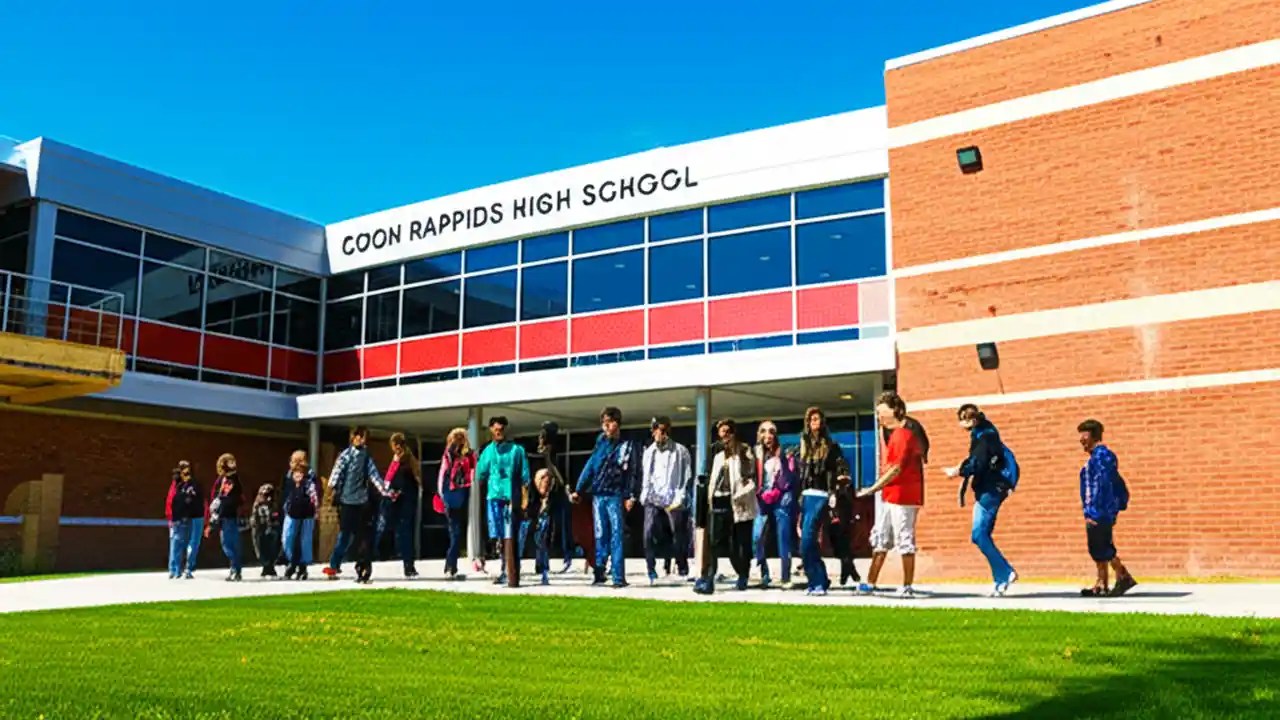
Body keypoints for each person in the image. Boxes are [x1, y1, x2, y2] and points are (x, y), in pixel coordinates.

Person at [944, 404, 1017, 596]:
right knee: (982, 535)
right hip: (992, 488)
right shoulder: (986, 433)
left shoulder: (984, 436)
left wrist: (958, 471)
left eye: (963, 419)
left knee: (979, 534)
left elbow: (978, 462)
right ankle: (1000, 580)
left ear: (971, 420)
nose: (961, 424)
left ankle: (1005, 572)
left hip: (990, 490)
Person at [859, 391, 926, 598]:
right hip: (890, 495)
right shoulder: (894, 435)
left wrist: (872, 489)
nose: (878, 416)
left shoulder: (905, 435)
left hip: (904, 496)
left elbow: (895, 469)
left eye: (881, 412)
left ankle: (907, 585)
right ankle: (870, 582)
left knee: (904, 539)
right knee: (881, 537)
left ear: (894, 411)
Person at [571, 406, 642, 588]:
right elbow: (591, 466)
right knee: (600, 534)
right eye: (603, 423)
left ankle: (618, 577)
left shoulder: (628, 445)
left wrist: (631, 496)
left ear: (617, 424)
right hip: (598, 495)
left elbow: (633, 472)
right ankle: (599, 572)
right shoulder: (600, 443)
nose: (605, 427)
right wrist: (579, 489)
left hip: (616, 495)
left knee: (616, 535)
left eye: (608, 423)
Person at [695, 418, 757, 594]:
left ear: (734, 433)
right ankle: (708, 579)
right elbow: (713, 480)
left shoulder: (744, 451)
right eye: (721, 433)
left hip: (738, 503)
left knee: (737, 545)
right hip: (718, 502)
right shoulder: (718, 456)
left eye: (727, 432)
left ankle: (742, 574)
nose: (725, 436)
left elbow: (750, 480)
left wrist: (739, 495)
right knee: (713, 542)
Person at [1077, 419, 1138, 597]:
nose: (1081, 439)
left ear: (1094, 436)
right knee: (1098, 547)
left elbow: (1104, 486)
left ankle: (1123, 575)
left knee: (1102, 547)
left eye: (1085, 435)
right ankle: (1101, 583)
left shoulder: (1102, 457)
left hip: (1100, 511)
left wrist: (1097, 511)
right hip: (1095, 510)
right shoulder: (1095, 459)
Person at [325, 426, 391, 584]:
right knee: (344, 536)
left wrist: (383, 490)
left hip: (361, 501)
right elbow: (336, 473)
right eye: (359, 436)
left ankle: (361, 566)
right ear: (353, 437)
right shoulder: (346, 455)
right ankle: (334, 565)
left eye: (364, 437)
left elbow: (373, 473)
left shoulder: (366, 456)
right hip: (347, 501)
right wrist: (331, 489)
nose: (362, 440)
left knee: (362, 536)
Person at [795, 406, 850, 596]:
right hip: (806, 495)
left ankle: (818, 581)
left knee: (809, 537)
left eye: (817, 419)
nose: (814, 423)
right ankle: (817, 580)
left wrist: (837, 488)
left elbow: (842, 469)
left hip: (822, 495)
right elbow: (798, 475)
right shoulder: (803, 447)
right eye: (811, 420)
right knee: (805, 542)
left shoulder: (832, 447)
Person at [476, 416, 531, 586]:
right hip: (494, 498)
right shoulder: (488, 451)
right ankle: (503, 569)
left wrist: (524, 500)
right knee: (498, 536)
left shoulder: (517, 450)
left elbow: (525, 477)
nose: (499, 432)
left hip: (511, 498)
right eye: (496, 430)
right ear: (491, 430)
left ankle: (513, 570)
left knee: (511, 535)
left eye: (501, 429)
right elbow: (480, 474)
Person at [640, 416, 693, 585]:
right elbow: (646, 476)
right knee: (648, 533)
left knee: (678, 533)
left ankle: (681, 565)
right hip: (653, 497)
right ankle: (651, 569)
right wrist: (644, 495)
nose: (661, 434)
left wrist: (681, 496)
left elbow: (686, 476)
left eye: (664, 430)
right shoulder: (649, 452)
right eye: (658, 430)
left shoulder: (680, 451)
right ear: (653, 431)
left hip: (674, 497)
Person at [753, 420, 797, 589]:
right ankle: (764, 572)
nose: (768, 435)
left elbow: (790, 475)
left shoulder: (785, 452)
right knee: (757, 536)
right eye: (764, 431)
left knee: (783, 537)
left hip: (780, 498)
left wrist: (779, 491)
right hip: (761, 500)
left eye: (771, 431)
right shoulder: (755, 454)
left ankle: (785, 576)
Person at [379, 432, 422, 578]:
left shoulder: (403, 462)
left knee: (402, 533)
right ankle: (408, 564)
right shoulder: (407, 461)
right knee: (405, 533)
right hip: (405, 502)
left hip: (402, 502)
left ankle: (407, 564)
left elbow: (391, 480)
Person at [437, 427, 476, 580]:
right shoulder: (452, 455)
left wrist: (442, 494)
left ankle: (451, 565)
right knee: (456, 532)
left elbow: (443, 474)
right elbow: (443, 474)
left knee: (456, 531)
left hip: (458, 493)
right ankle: (450, 565)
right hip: (456, 493)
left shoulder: (463, 454)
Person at [204, 453, 244, 582]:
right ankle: (234, 569)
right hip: (223, 516)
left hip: (230, 516)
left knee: (230, 544)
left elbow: (228, 498)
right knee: (226, 544)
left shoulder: (233, 480)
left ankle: (236, 570)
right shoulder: (223, 480)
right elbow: (219, 496)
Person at [281, 450, 319, 581]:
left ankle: (302, 567)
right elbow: (285, 493)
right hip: (291, 512)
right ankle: (292, 562)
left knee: (304, 540)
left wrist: (315, 509)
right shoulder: (288, 476)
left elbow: (314, 493)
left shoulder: (310, 476)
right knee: (288, 538)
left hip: (307, 512)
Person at [165, 460, 204, 580]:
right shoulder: (178, 485)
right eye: (182, 468)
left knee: (189, 543)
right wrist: (172, 517)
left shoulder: (194, 484)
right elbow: (171, 502)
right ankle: (175, 569)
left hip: (191, 516)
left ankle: (184, 568)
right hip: (179, 518)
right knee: (177, 542)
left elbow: (201, 501)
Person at [529, 468, 559, 586]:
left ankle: (543, 567)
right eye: (543, 482)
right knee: (539, 542)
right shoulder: (533, 496)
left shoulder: (552, 497)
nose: (545, 485)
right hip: (535, 521)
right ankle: (540, 565)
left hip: (546, 524)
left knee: (543, 543)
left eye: (547, 483)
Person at [250, 484, 281, 579]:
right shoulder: (257, 504)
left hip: (272, 528)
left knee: (272, 547)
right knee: (260, 548)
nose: (267, 497)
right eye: (264, 494)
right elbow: (254, 517)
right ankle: (266, 566)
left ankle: (270, 566)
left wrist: (273, 524)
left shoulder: (274, 503)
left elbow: (276, 516)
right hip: (260, 529)